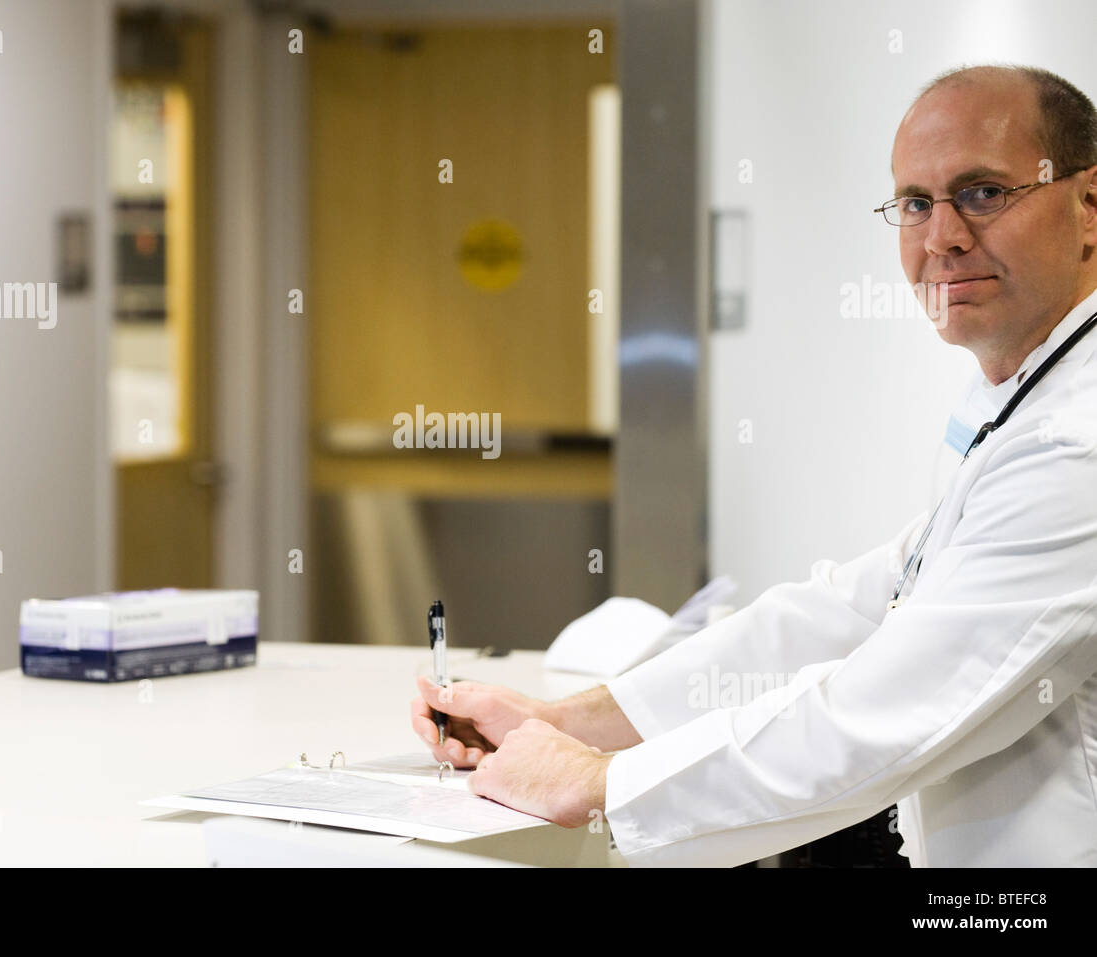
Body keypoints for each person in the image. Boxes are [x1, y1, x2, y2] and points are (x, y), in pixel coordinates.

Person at [410, 63, 1097, 867]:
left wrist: (604, 782)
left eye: (983, 192)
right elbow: (856, 608)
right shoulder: (1021, 398)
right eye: (915, 203)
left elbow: (892, 710)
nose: (941, 236)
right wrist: (571, 722)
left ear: (1089, 207)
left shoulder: (1076, 441)